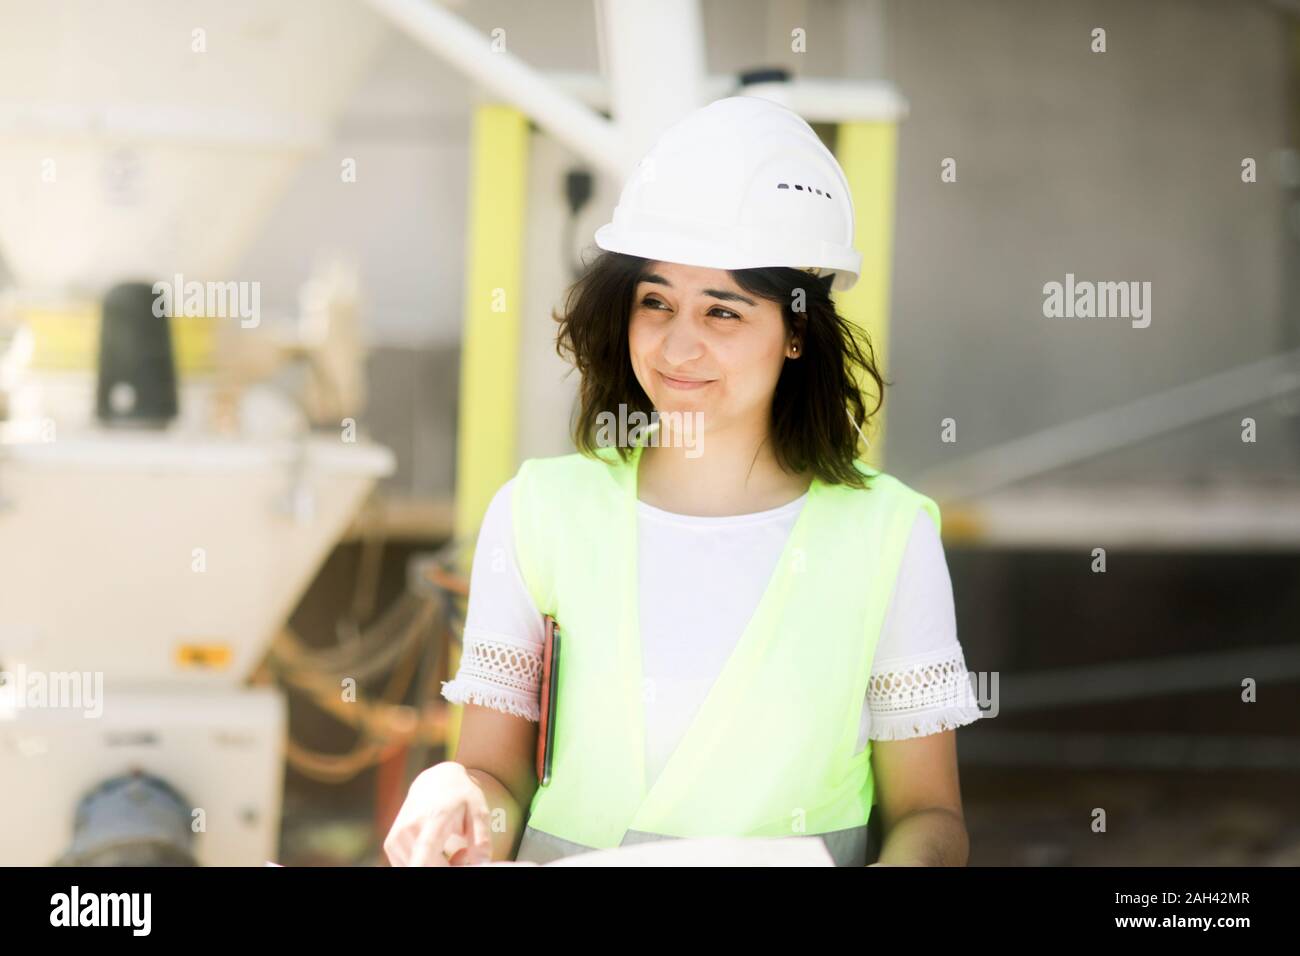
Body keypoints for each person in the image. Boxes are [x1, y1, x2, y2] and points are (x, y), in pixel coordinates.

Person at [384, 95, 984, 868]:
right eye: (655, 302)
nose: (676, 345)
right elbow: (495, 776)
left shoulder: (888, 535)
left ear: (797, 332)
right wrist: (455, 794)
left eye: (724, 313)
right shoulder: (540, 511)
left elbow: (929, 817)